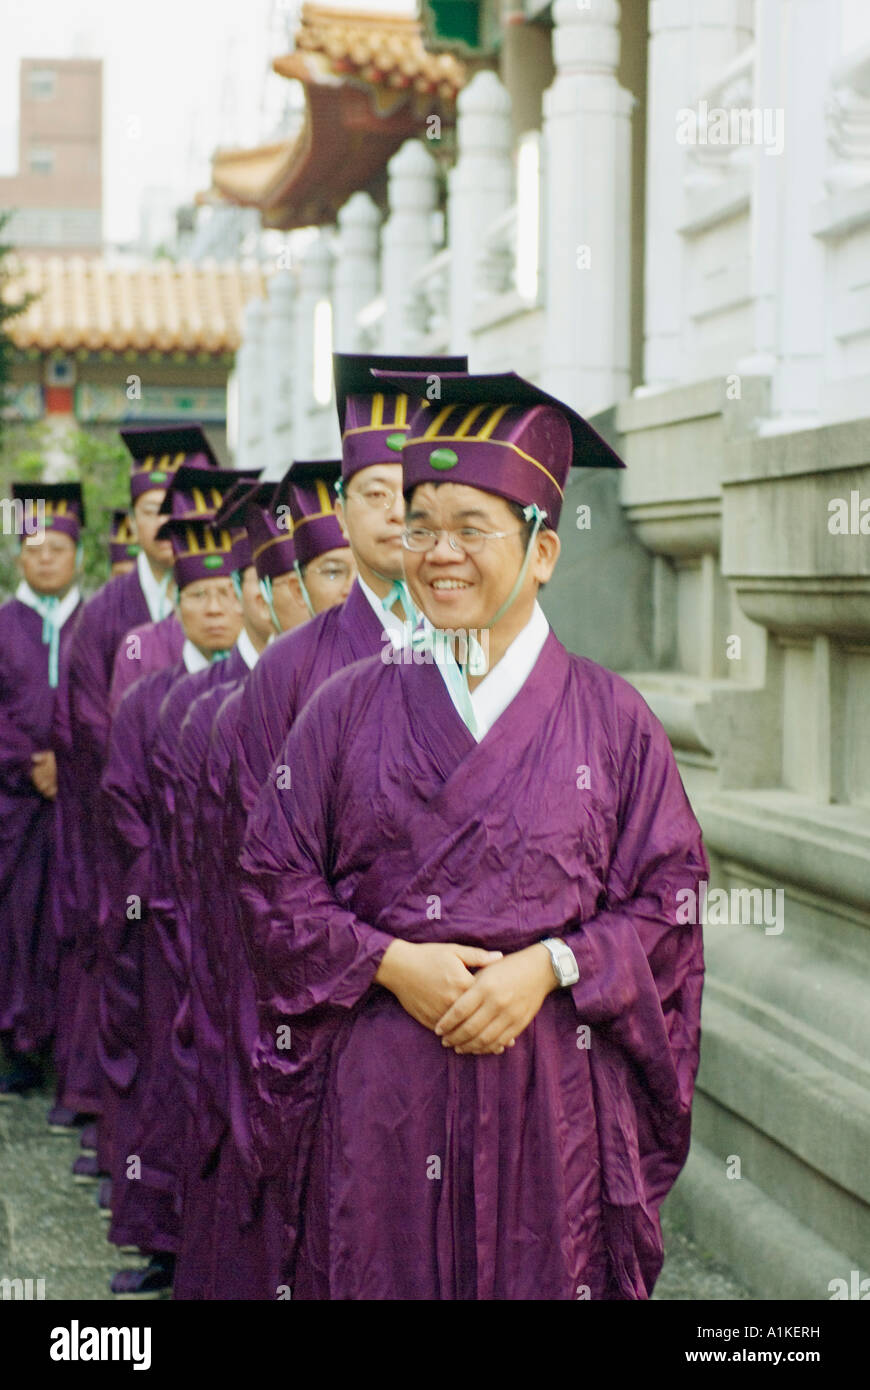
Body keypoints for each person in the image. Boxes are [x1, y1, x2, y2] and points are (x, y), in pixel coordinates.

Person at [239, 369, 708, 1300]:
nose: (438, 553)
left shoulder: (612, 721)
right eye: (420, 525)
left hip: (551, 1107)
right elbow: (270, 882)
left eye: (471, 528)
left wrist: (553, 967)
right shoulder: (342, 709)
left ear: (541, 552)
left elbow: (671, 902)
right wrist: (385, 960)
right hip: (383, 1105)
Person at [52, 425, 217, 1144]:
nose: (167, 523)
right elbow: (88, 714)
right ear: (135, 520)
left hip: (197, 827)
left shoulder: (222, 595)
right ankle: (100, 1108)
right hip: (117, 813)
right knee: (113, 957)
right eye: (154, 509)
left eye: (181, 509)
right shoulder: (105, 616)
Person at [101, 496, 244, 1299]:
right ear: (178, 608)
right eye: (198, 597)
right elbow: (122, 805)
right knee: (168, 1080)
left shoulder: (257, 691)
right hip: (161, 916)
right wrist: (166, 883)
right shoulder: (148, 701)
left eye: (226, 593)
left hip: (231, 922)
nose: (214, 608)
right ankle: (163, 1238)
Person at [0, 484, 84, 1098]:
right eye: (34, 548)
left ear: (77, 553)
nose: (46, 558)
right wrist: (29, 763)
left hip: (83, 807)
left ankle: (73, 1052)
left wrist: (73, 762)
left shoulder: (101, 621)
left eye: (57, 547)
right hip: (15, 808)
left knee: (77, 924)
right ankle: (18, 1046)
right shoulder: (5, 623)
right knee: (16, 924)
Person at [108, 508, 139, 576]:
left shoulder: (135, 532)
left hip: (131, 568)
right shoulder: (116, 530)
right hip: (118, 566)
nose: (129, 521)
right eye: (128, 519)